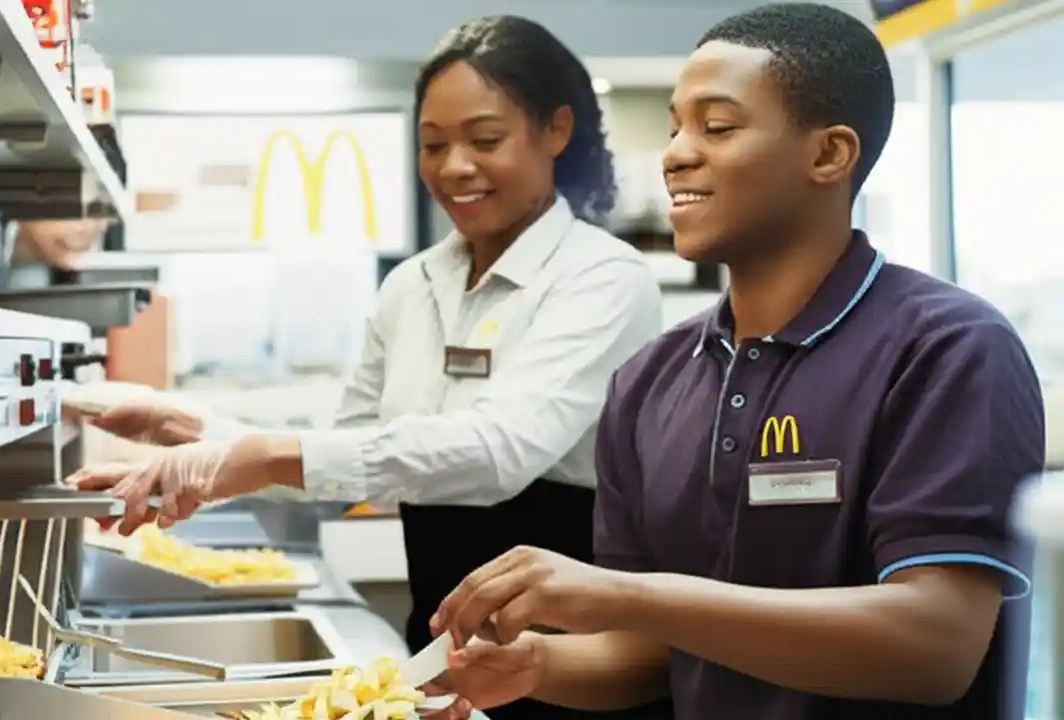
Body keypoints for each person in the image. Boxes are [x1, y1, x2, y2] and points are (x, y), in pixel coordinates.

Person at [425, 3, 1046, 720]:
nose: (676, 154)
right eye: (674, 127)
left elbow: (936, 647)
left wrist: (626, 595)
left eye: (717, 127)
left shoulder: (947, 349)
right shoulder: (650, 380)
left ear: (828, 155)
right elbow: (652, 649)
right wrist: (536, 662)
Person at [70, 15, 664, 719]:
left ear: (556, 130)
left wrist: (256, 457)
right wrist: (190, 429)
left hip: (566, 672)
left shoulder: (603, 278)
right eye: (433, 144)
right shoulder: (412, 286)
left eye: (485, 140)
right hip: (443, 658)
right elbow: (336, 466)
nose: (454, 168)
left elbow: (499, 451)